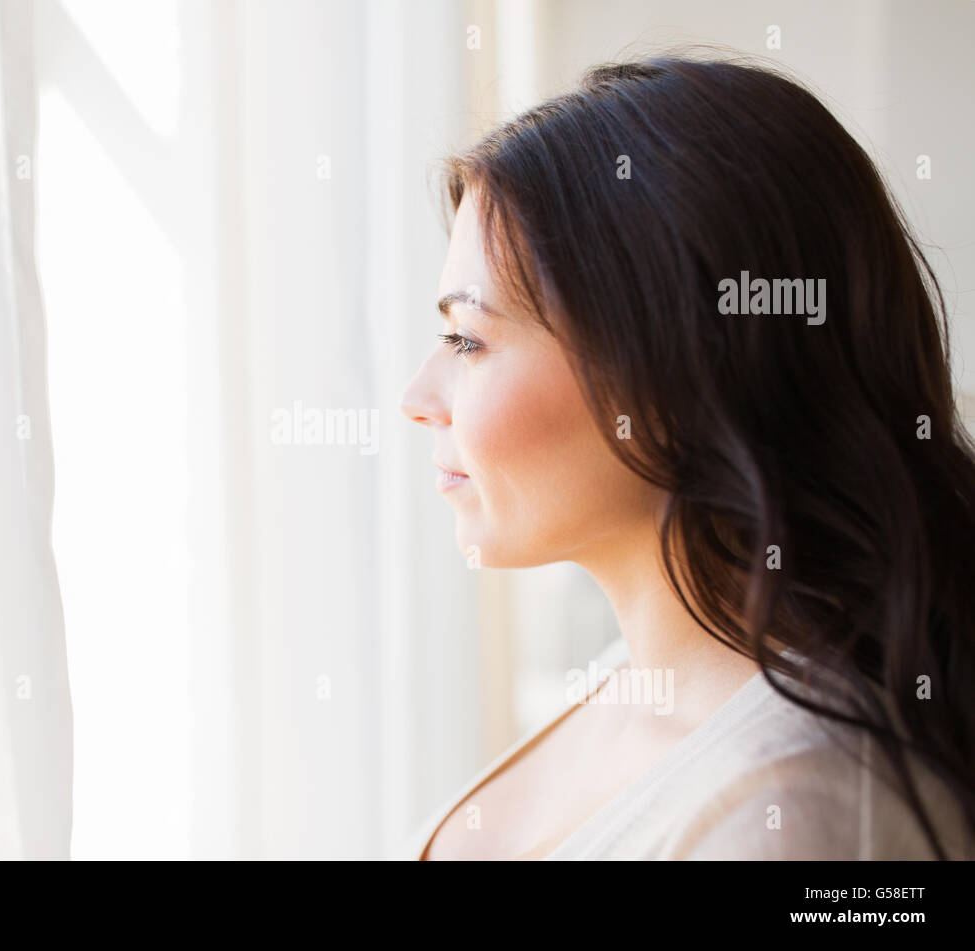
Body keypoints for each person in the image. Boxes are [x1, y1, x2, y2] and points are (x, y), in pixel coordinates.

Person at [399, 53, 975, 860]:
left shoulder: (801, 814)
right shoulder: (642, 677)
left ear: (671, 370)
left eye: (468, 338)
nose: (418, 395)